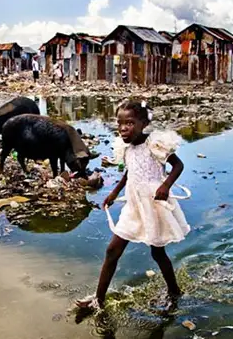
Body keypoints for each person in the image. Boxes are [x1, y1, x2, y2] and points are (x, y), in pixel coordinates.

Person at [76, 100, 190, 310]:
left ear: (143, 123)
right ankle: (98, 300)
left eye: (129, 123)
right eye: (119, 123)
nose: (123, 128)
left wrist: (165, 185)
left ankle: (174, 292)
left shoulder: (154, 145)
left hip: (153, 204)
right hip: (133, 205)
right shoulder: (126, 148)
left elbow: (178, 165)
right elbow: (129, 172)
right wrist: (114, 192)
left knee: (157, 253)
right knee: (112, 251)